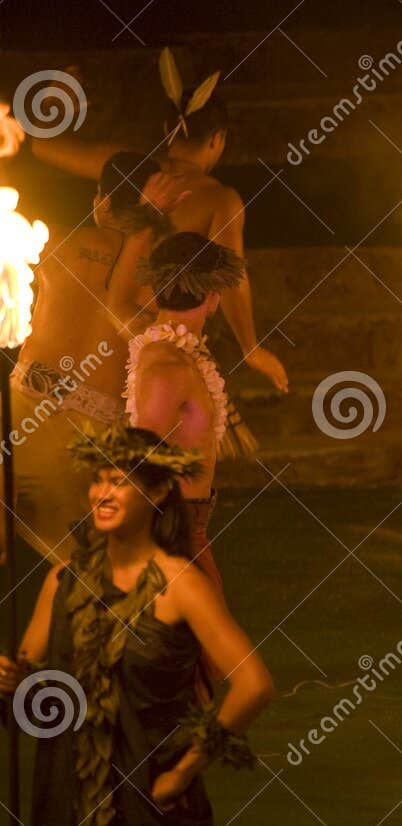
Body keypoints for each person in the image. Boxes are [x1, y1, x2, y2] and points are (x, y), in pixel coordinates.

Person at [0, 425, 274, 826]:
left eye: (119, 478)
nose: (102, 490)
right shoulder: (63, 578)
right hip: (64, 804)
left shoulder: (180, 583)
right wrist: (11, 677)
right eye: (97, 477)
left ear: (156, 494)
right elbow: (33, 692)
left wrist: (183, 771)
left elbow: (253, 683)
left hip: (146, 808)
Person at [29, 60, 289, 397]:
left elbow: (42, 146)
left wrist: (55, 100)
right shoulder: (219, 200)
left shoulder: (130, 167)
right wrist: (250, 348)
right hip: (140, 336)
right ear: (217, 139)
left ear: (169, 129)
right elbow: (232, 280)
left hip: (86, 323)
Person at [4, 152, 180, 565]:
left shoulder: (54, 243)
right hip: (90, 440)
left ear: (102, 202)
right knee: (91, 575)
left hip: (17, 416)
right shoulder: (162, 274)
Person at [122, 232, 247, 588]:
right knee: (212, 642)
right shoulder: (168, 365)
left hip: (184, 528)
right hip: (171, 532)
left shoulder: (178, 353)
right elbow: (144, 460)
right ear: (213, 298)